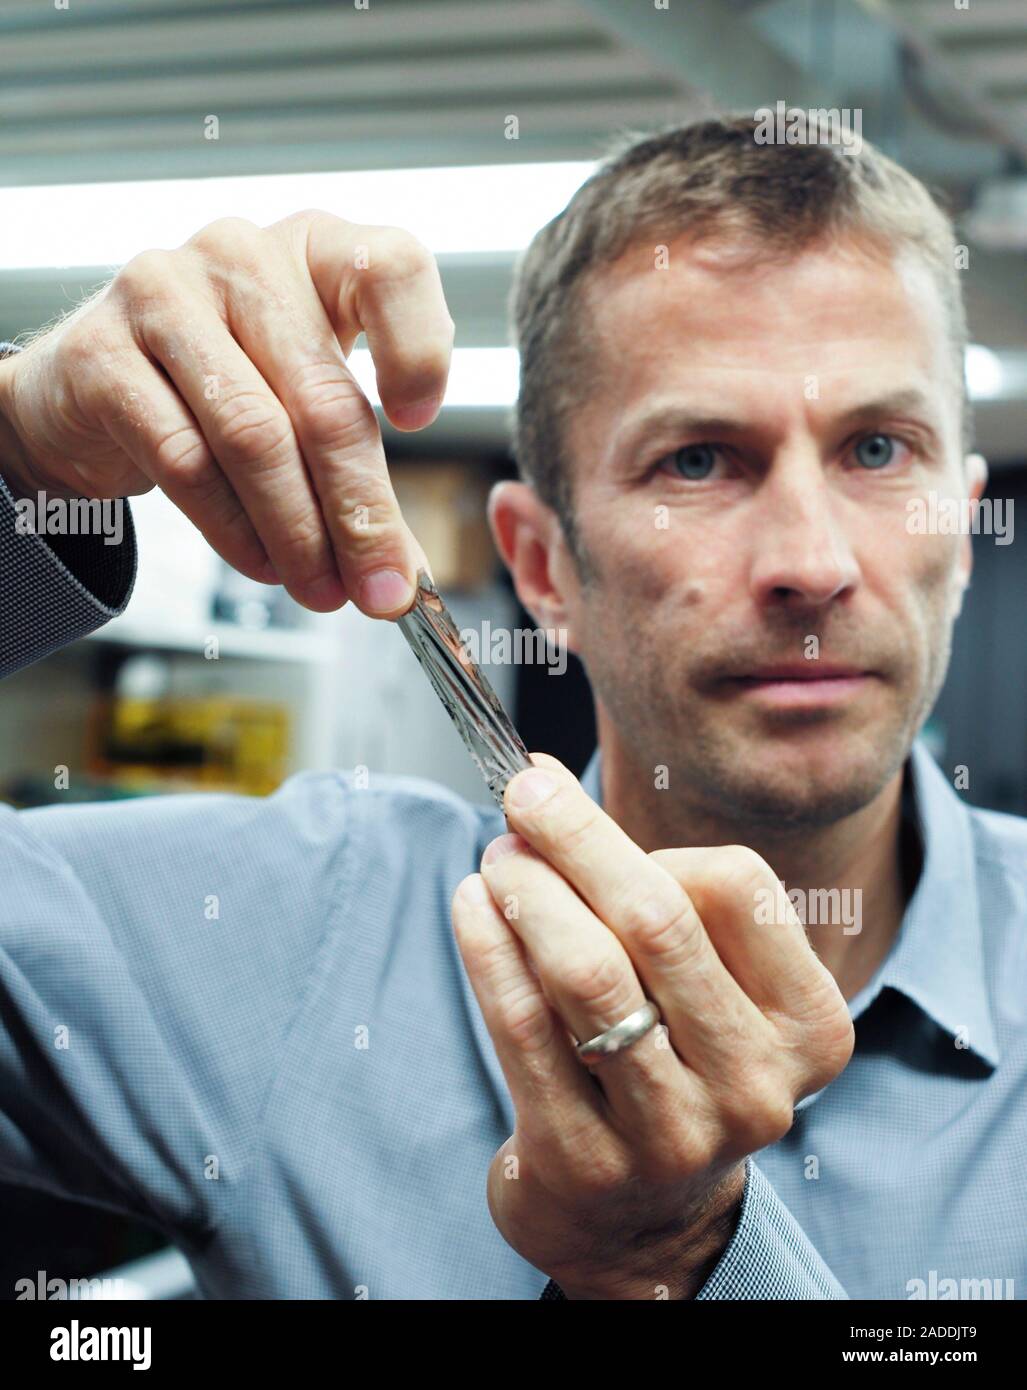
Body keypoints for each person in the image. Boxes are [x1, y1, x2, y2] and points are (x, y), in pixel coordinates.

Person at [0, 116, 1023, 1301]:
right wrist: (23, 454)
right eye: (696, 460)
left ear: (958, 535)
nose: (809, 561)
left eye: (879, 449)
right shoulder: (283, 936)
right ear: (541, 569)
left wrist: (684, 1263)